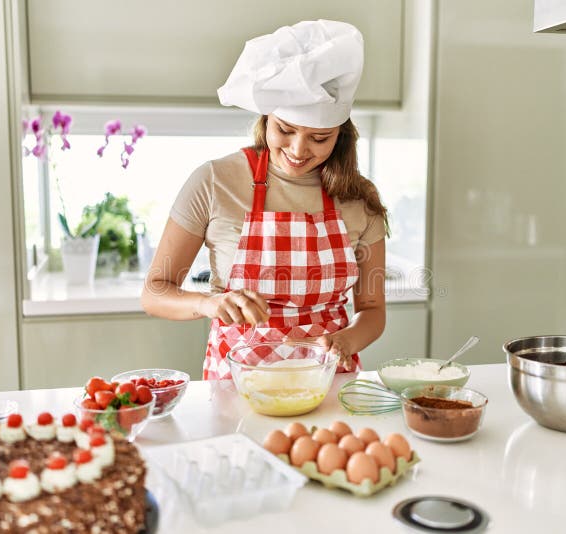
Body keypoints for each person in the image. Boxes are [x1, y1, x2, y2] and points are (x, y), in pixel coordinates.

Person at [141, 20, 388, 379]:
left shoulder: (359, 199)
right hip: (236, 386)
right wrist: (209, 304)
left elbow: (372, 309)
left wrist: (347, 340)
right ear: (266, 119)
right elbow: (154, 293)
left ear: (342, 135)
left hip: (326, 381)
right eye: (285, 130)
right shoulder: (215, 181)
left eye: (320, 138)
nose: (299, 150)